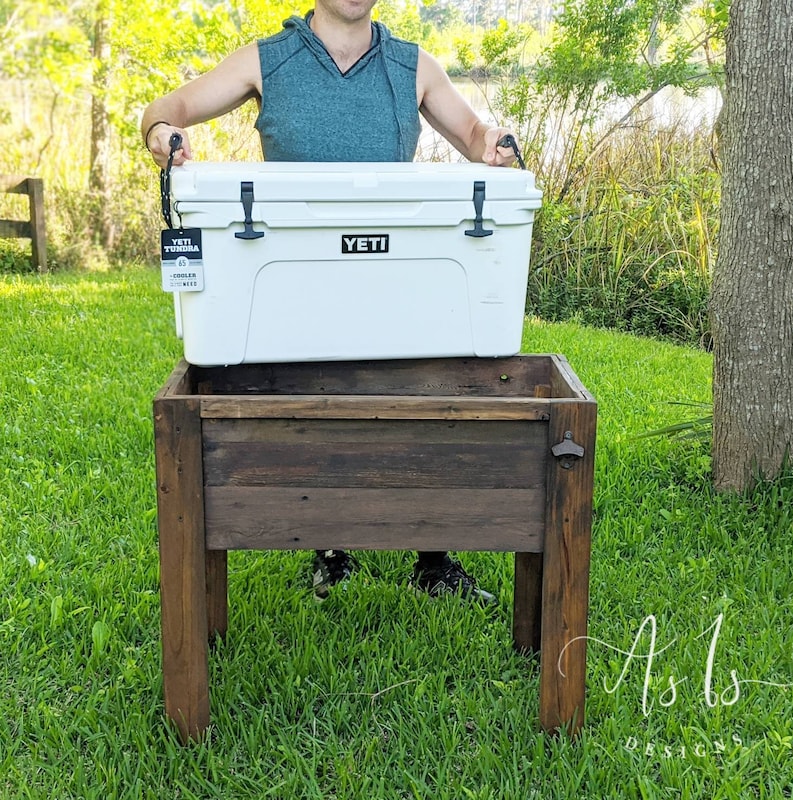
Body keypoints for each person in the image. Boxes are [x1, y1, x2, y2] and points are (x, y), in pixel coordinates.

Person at [143, 0, 521, 604]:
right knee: (318, 404)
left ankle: (433, 557)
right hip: (299, 279)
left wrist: (495, 143)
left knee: (418, 397)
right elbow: (166, 111)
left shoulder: (412, 65)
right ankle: (329, 544)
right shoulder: (269, 60)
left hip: (394, 272)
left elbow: (475, 136)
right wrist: (164, 135)